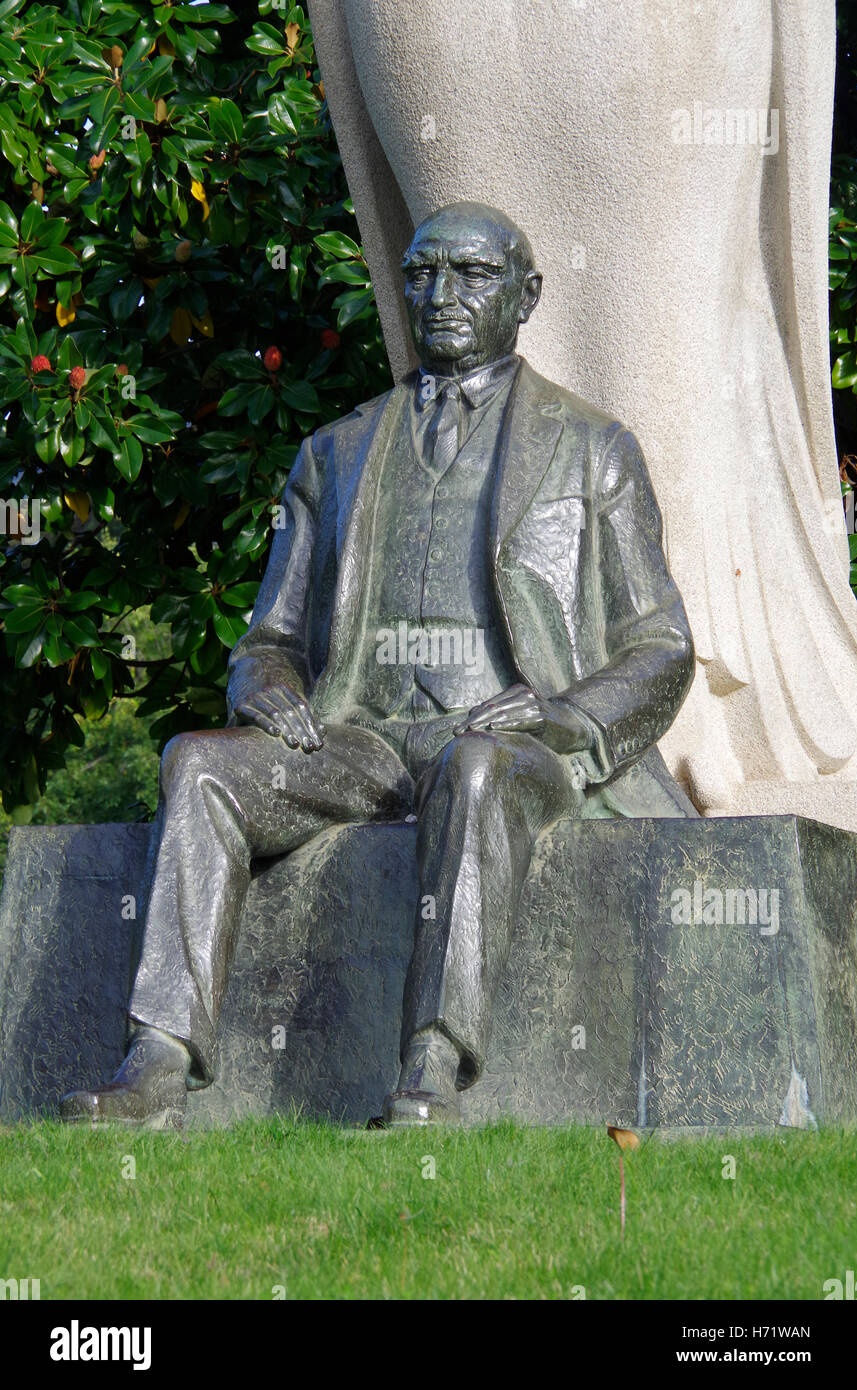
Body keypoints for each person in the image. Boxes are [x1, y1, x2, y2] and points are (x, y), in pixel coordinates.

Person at [60, 202, 695, 1129]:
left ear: (526, 296)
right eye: (422, 273)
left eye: (472, 275)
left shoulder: (592, 447)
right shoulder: (334, 452)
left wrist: (566, 718)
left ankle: (431, 1067)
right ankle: (157, 1062)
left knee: (475, 771)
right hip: (355, 738)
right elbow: (267, 638)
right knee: (196, 764)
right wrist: (267, 685)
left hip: (503, 738)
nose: (442, 295)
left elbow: (660, 645)